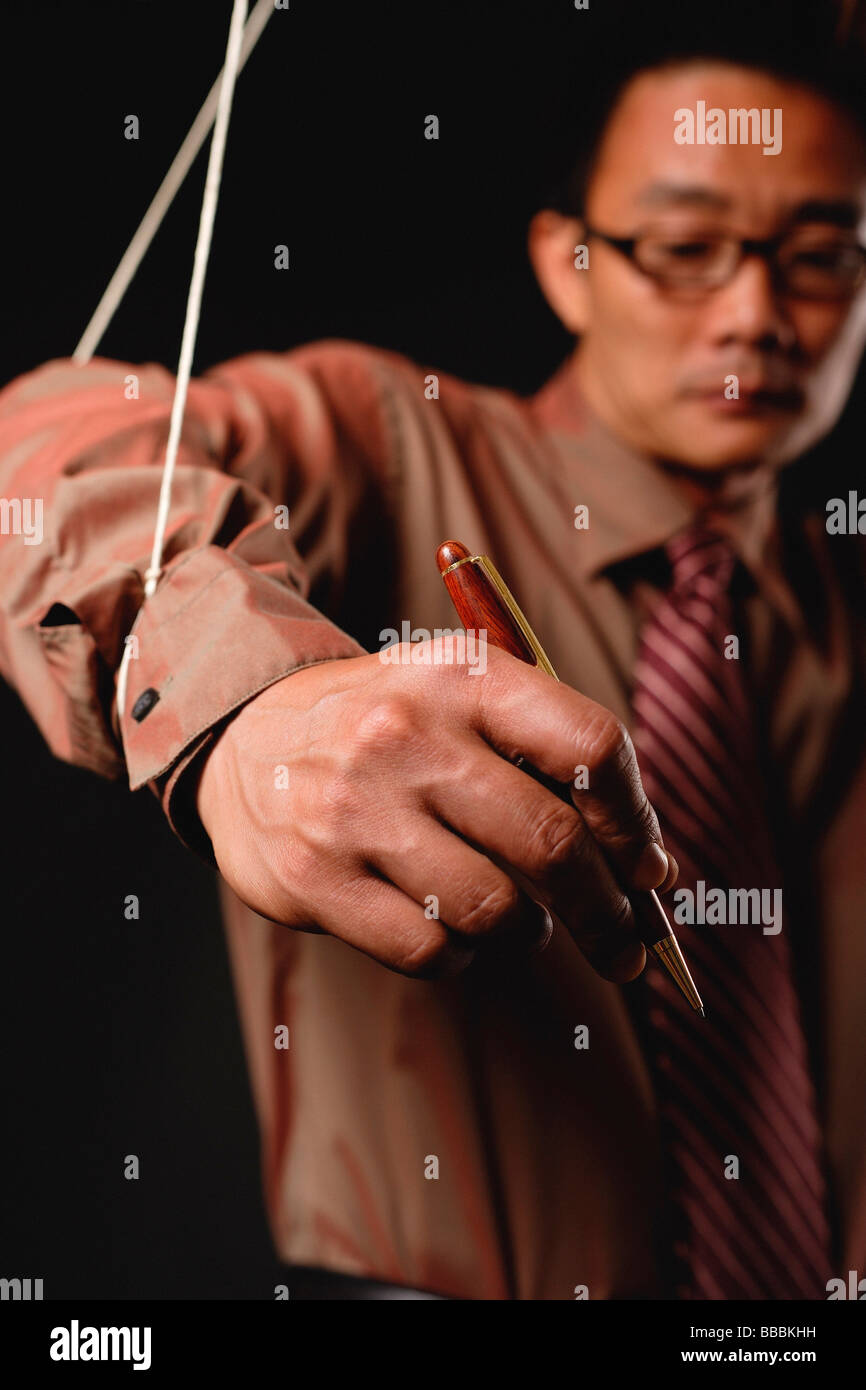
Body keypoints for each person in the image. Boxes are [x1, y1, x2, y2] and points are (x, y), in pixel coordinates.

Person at [2, 19, 866, 1300]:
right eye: (684, 249)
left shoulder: (833, 607)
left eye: (816, 257)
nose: (753, 312)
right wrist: (240, 710)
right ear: (564, 266)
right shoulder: (382, 439)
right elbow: (50, 450)